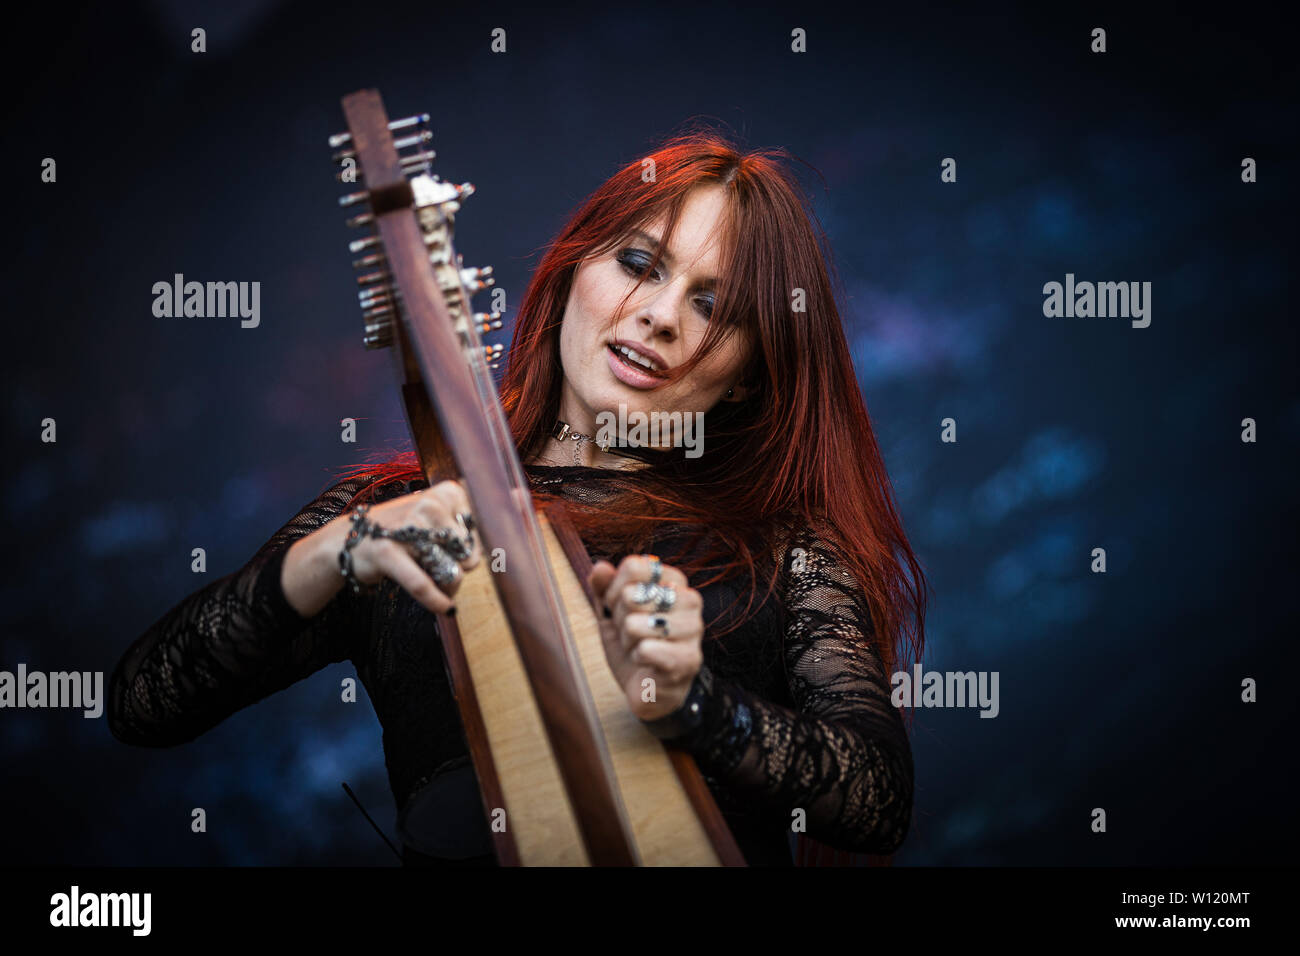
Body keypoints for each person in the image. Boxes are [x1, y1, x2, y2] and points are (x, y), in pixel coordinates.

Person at [107, 128, 929, 867]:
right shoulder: (400, 516)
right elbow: (144, 702)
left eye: (715, 306)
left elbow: (877, 800)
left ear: (749, 377)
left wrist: (695, 703)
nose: (659, 316)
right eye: (639, 264)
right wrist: (330, 555)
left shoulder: (783, 547)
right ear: (575, 269)